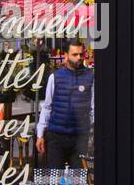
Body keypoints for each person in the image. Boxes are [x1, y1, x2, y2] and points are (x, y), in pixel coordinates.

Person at [36, 39, 94, 169]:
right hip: (56, 136)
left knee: (78, 181)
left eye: (81, 54)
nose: (79, 58)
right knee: (55, 180)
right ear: (66, 55)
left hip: (79, 137)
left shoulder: (90, 77)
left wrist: (90, 129)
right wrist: (40, 135)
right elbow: (46, 107)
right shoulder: (55, 77)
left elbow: (93, 107)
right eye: (75, 54)